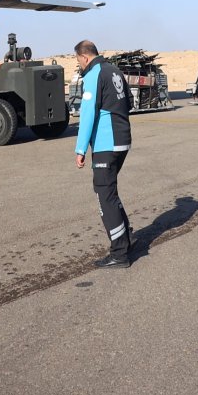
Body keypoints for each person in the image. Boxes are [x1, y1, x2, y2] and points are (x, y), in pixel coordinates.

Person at [73, 40, 134, 268]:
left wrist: (80, 149)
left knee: (104, 195)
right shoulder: (114, 70)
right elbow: (129, 102)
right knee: (110, 192)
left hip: (106, 144)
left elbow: (87, 114)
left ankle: (119, 253)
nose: (79, 65)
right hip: (122, 139)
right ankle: (126, 239)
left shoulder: (93, 74)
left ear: (84, 57)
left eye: (78, 60)